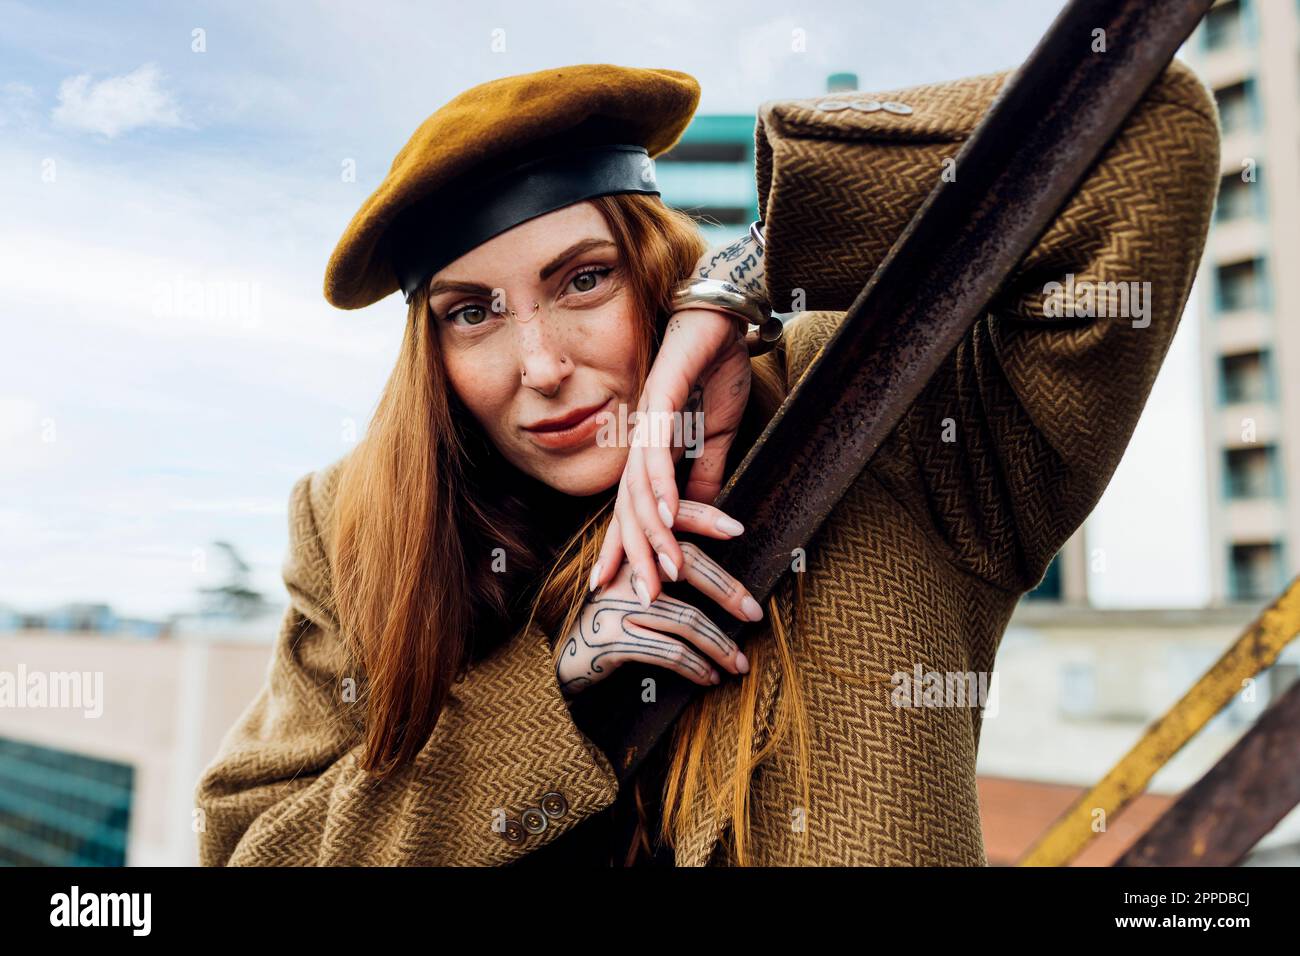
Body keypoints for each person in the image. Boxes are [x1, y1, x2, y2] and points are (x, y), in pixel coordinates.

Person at [195, 58, 1221, 866]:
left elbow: (1144, 130)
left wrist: (740, 278)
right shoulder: (359, 527)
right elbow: (248, 852)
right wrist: (551, 700)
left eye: (584, 280)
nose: (542, 366)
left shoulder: (872, 411)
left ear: (652, 268)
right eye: (473, 312)